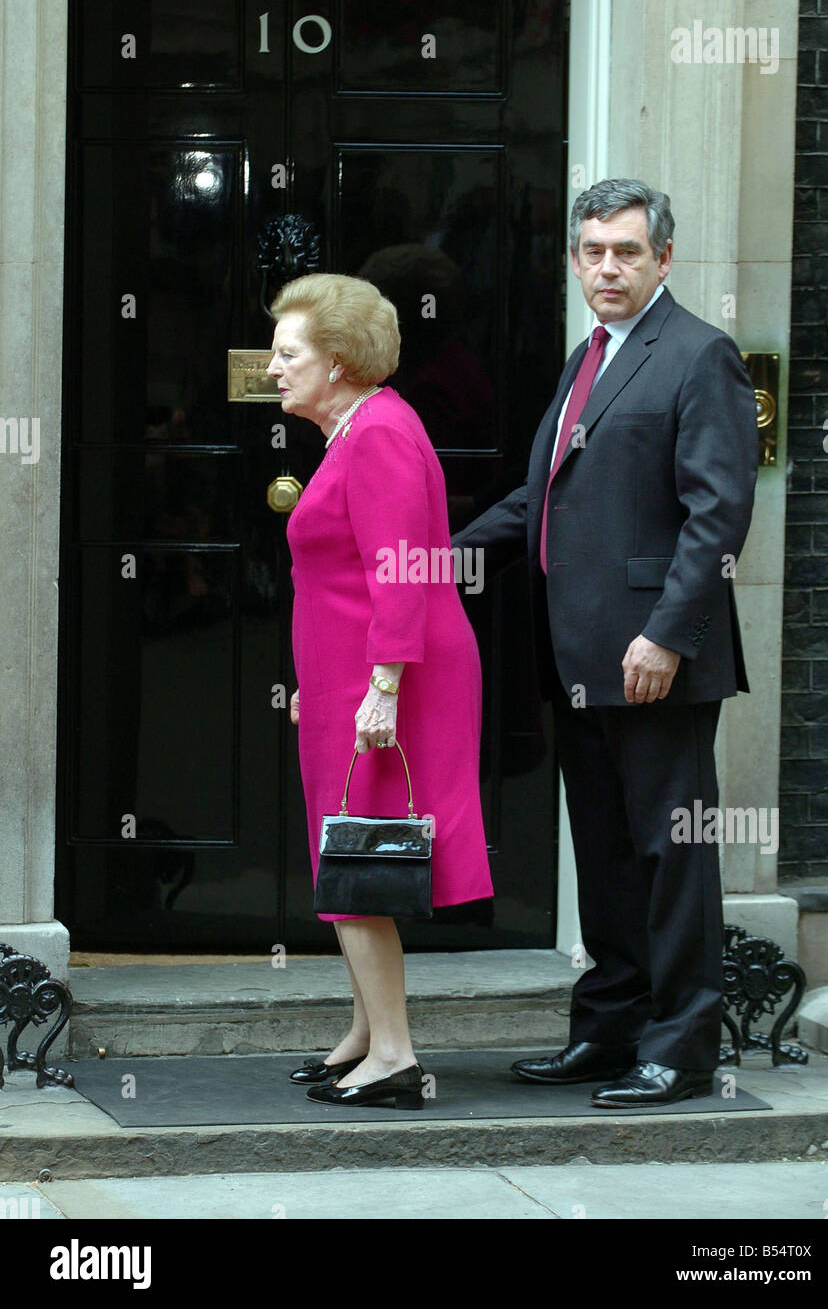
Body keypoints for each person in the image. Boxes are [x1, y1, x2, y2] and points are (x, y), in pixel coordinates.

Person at [454, 179, 759, 1107]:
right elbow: (537, 499)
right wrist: (432, 567)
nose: (607, 268)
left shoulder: (698, 355)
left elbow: (718, 516)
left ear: (663, 258)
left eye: (626, 251)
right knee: (606, 849)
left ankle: (682, 1046)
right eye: (592, 251)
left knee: (671, 853)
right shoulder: (588, 355)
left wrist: (665, 636)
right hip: (577, 657)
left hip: (652, 658)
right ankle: (612, 1028)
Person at [266, 272, 493, 1110]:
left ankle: (395, 1057)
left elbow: (400, 577)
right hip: (352, 677)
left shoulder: (380, 436)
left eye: (289, 354)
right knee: (348, 856)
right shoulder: (359, 430)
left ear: (338, 360)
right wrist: (323, 686)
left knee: (355, 860)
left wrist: (382, 690)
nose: (274, 369)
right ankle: (365, 1034)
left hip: (392, 679)